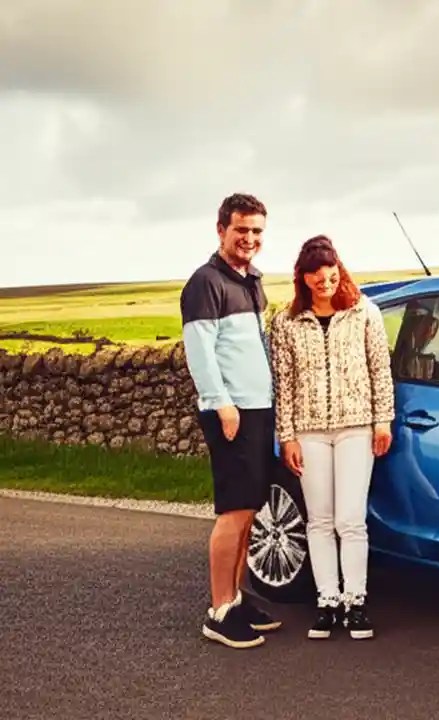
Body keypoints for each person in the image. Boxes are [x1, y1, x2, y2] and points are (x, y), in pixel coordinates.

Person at [270, 235, 395, 640]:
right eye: (317, 276)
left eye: (331, 273)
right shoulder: (286, 323)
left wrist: (382, 421)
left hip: (356, 427)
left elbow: (380, 369)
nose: (325, 281)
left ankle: (355, 602)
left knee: (350, 519)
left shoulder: (364, 313)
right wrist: (286, 435)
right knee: (320, 520)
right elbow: (283, 384)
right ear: (304, 278)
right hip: (308, 432)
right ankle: (327, 601)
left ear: (338, 271)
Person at [180, 192, 281, 649]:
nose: (249, 239)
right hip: (232, 411)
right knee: (234, 510)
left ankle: (237, 599)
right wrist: (221, 404)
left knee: (250, 510)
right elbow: (200, 352)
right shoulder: (205, 282)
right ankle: (220, 611)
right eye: (241, 230)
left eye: (257, 231)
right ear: (221, 229)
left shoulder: (252, 280)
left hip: (258, 408)